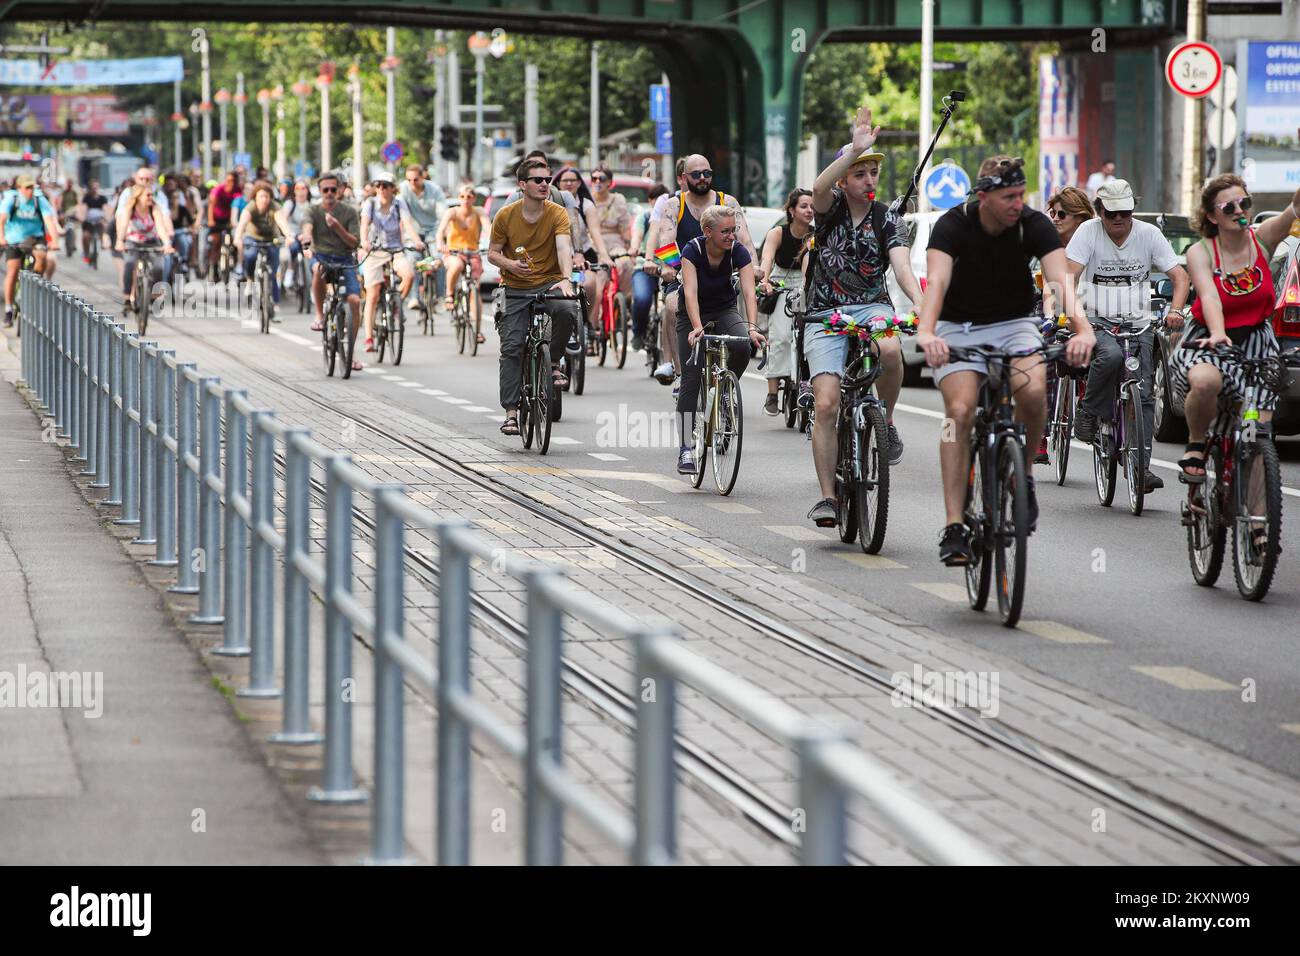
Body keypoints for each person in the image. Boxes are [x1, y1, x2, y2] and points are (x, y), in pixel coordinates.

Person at [916, 154, 1095, 565]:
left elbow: (1060, 281)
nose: (1019, 203)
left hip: (1015, 323)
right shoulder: (953, 224)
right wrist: (926, 331)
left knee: (1032, 393)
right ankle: (954, 524)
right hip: (957, 326)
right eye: (1009, 196)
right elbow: (938, 282)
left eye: (1021, 194)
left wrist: (1083, 328)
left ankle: (1025, 476)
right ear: (984, 197)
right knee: (958, 412)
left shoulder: (1033, 225)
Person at [801, 111, 924, 527]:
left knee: (891, 350)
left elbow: (903, 267)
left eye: (873, 172)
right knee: (827, 403)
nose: (870, 180)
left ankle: (884, 422)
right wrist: (853, 149)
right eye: (860, 173)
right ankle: (828, 499)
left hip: (872, 306)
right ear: (844, 181)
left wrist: (919, 301)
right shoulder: (828, 208)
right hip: (825, 311)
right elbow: (817, 187)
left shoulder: (888, 217)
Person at [1170, 176, 1300, 487]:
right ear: (1212, 216)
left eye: (1244, 203)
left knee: (1255, 440)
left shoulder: (1262, 239)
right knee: (1204, 382)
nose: (1238, 210)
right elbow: (1210, 296)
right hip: (1208, 339)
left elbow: (1295, 207)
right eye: (1229, 206)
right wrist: (1217, 331)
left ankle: (1256, 528)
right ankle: (1197, 445)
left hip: (1257, 342)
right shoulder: (1201, 252)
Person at [1067, 179, 1190, 493]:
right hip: (1096, 321)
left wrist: (1176, 310)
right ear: (1100, 212)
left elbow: (1180, 277)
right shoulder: (1087, 233)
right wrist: (1077, 321)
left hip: (1139, 325)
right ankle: (1089, 411)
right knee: (1110, 356)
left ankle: (1141, 467)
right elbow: (1068, 278)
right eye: (1111, 213)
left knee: (1145, 394)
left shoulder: (1149, 234)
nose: (1119, 219)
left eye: (1125, 211)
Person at [487, 156, 579, 436]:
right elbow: (492, 253)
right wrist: (510, 265)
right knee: (512, 348)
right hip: (514, 286)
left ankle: (552, 363)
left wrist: (565, 278)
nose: (544, 185)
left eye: (548, 180)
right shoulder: (505, 215)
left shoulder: (557, 213)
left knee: (567, 309)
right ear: (522, 184)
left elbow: (564, 248)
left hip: (549, 283)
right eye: (538, 180)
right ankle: (511, 413)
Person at [653, 154, 757, 388]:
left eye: (707, 173)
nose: (702, 178)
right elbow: (666, 240)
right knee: (672, 305)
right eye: (696, 174)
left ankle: (725, 388)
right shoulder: (675, 205)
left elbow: (746, 240)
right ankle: (681, 374)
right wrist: (669, 267)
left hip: (719, 279)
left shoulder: (727, 201)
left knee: (738, 333)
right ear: (683, 178)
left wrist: (755, 266)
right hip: (683, 276)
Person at [674, 205, 765, 474]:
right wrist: (697, 327)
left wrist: (752, 328)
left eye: (733, 230)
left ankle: (725, 390)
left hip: (725, 309)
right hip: (692, 314)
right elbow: (690, 292)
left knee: (742, 345)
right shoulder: (693, 250)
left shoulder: (738, 251)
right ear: (708, 232)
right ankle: (685, 450)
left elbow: (749, 293)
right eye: (725, 231)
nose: (731, 236)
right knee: (691, 375)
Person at [1032, 185, 1094, 463]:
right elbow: (1049, 289)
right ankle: (1041, 438)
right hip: (1054, 309)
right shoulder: (1050, 247)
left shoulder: (1095, 242)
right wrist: (1049, 317)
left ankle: (1091, 408)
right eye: (1053, 213)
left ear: (1080, 218)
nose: (1055, 218)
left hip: (1093, 310)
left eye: (1063, 214)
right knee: (1043, 357)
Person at [757, 187, 814, 417]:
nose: (809, 210)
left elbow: (808, 266)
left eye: (812, 206)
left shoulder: (814, 235)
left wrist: (806, 288)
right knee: (780, 335)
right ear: (791, 210)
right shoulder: (777, 233)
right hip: (779, 282)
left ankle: (806, 384)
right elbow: (767, 258)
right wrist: (765, 281)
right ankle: (772, 393)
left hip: (804, 283)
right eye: (803, 206)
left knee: (810, 336)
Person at [302, 172, 363, 372]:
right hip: (323, 257)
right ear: (319, 192)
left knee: (354, 301)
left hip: (345, 259)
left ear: (339, 191)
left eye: (333, 189)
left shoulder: (349, 212)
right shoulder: (313, 210)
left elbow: (355, 242)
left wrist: (338, 228)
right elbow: (307, 228)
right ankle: (320, 315)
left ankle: (351, 353)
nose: (329, 193)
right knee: (318, 269)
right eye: (325, 190)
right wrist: (307, 240)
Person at [358, 170, 425, 352]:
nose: (381, 188)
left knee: (409, 275)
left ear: (392, 188)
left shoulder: (398, 203)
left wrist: (417, 241)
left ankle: (395, 304)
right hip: (374, 251)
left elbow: (408, 223)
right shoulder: (370, 204)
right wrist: (364, 241)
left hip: (396, 250)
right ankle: (369, 338)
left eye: (385, 185)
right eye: (378, 185)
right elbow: (364, 225)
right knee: (372, 293)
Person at [553, 166, 613, 337]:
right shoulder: (550, 202)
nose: (569, 183)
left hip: (583, 255)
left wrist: (604, 254)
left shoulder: (586, 205)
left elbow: (595, 233)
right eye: (566, 180)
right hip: (557, 254)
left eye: (573, 180)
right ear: (558, 183)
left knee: (587, 284)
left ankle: (585, 323)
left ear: (579, 183)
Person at [0, 174, 60, 326]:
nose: (30, 190)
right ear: (19, 188)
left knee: (42, 256)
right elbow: (2, 219)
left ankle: (35, 284)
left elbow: (49, 221)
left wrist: (55, 241)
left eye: (32, 187)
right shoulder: (11, 200)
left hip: (35, 238)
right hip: (14, 239)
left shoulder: (39, 200)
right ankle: (8, 309)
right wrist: (2, 238)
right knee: (12, 270)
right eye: (27, 188)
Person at [435, 185, 488, 343]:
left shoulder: (478, 211)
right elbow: (440, 231)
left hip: (473, 253)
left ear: (474, 198)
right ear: (459, 198)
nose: (466, 200)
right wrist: (440, 244)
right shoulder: (452, 212)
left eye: (469, 196)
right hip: (454, 252)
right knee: (457, 265)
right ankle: (450, 294)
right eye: (463, 196)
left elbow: (488, 228)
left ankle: (477, 331)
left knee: (475, 290)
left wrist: (492, 243)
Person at [114, 184, 174, 314]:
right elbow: (123, 225)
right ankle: (126, 297)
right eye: (147, 195)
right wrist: (120, 241)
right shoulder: (130, 208)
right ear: (138, 196)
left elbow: (160, 227)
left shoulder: (154, 208)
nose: (150, 197)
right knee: (129, 264)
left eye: (151, 195)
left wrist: (167, 243)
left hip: (152, 242)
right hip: (133, 242)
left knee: (159, 267)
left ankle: (153, 295)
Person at [590, 161, 634, 322]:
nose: (597, 182)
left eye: (601, 179)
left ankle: (624, 302)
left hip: (615, 242)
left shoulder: (618, 199)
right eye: (594, 179)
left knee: (626, 264)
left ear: (609, 182)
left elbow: (625, 228)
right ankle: (594, 324)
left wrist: (630, 250)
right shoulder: (587, 199)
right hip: (593, 244)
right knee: (598, 280)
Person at [233, 183, 285, 318]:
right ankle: (250, 279)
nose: (264, 199)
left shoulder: (275, 207)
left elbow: (282, 222)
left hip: (271, 239)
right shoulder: (250, 207)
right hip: (253, 238)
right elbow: (242, 223)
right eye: (261, 196)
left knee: (273, 273)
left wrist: (289, 235)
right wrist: (238, 238)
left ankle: (275, 304)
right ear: (255, 197)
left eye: (267, 196)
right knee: (250, 256)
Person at [399, 163, 446, 310]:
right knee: (413, 260)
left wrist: (441, 238)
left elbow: (443, 215)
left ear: (423, 177)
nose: (412, 183)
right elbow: (405, 219)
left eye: (415, 179)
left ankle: (440, 297)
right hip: (413, 231)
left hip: (433, 229)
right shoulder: (403, 190)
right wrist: (415, 240)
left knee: (438, 259)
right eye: (409, 180)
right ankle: (414, 297)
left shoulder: (435, 190)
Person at [628, 182, 670, 352]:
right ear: (650, 201)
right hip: (644, 268)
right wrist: (634, 248)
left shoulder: (672, 218)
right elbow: (636, 236)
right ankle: (638, 332)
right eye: (656, 200)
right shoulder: (644, 218)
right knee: (642, 298)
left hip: (669, 269)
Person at [276, 180, 312, 291]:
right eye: (298, 188)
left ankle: (311, 286)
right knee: (288, 254)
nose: (301, 191)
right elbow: (282, 219)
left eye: (303, 188)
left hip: (308, 236)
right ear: (294, 191)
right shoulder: (290, 204)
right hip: (292, 236)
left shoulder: (312, 205)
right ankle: (289, 272)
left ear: (307, 191)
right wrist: (288, 235)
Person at [207, 169, 242, 275]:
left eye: (233, 181)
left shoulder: (237, 190)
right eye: (228, 180)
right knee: (216, 243)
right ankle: (214, 268)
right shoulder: (219, 189)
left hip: (229, 219)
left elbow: (237, 205)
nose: (230, 183)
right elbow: (211, 204)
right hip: (216, 218)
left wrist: (234, 221)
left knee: (233, 240)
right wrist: (210, 220)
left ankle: (235, 265)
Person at [75, 180, 111, 264]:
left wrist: (106, 218)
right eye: (93, 187)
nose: (95, 189)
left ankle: (103, 242)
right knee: (86, 236)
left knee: (103, 226)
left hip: (99, 221)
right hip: (88, 221)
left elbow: (106, 209)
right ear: (91, 188)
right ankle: (86, 252)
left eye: (96, 187)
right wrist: (82, 217)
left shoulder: (102, 198)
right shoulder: (87, 197)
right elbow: (83, 208)